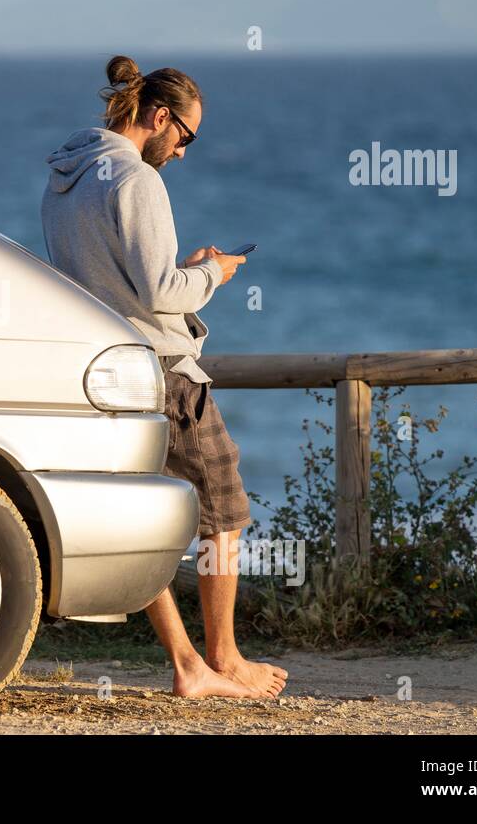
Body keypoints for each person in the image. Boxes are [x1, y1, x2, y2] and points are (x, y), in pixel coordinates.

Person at [40, 55, 287, 698]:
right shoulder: (136, 180)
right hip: (168, 376)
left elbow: (111, 279)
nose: (184, 151)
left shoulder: (67, 178)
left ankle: (187, 664)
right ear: (158, 117)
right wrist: (211, 274)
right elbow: (159, 289)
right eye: (187, 135)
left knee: (142, 521)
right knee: (223, 514)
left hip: (106, 371)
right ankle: (223, 660)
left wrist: (182, 270)